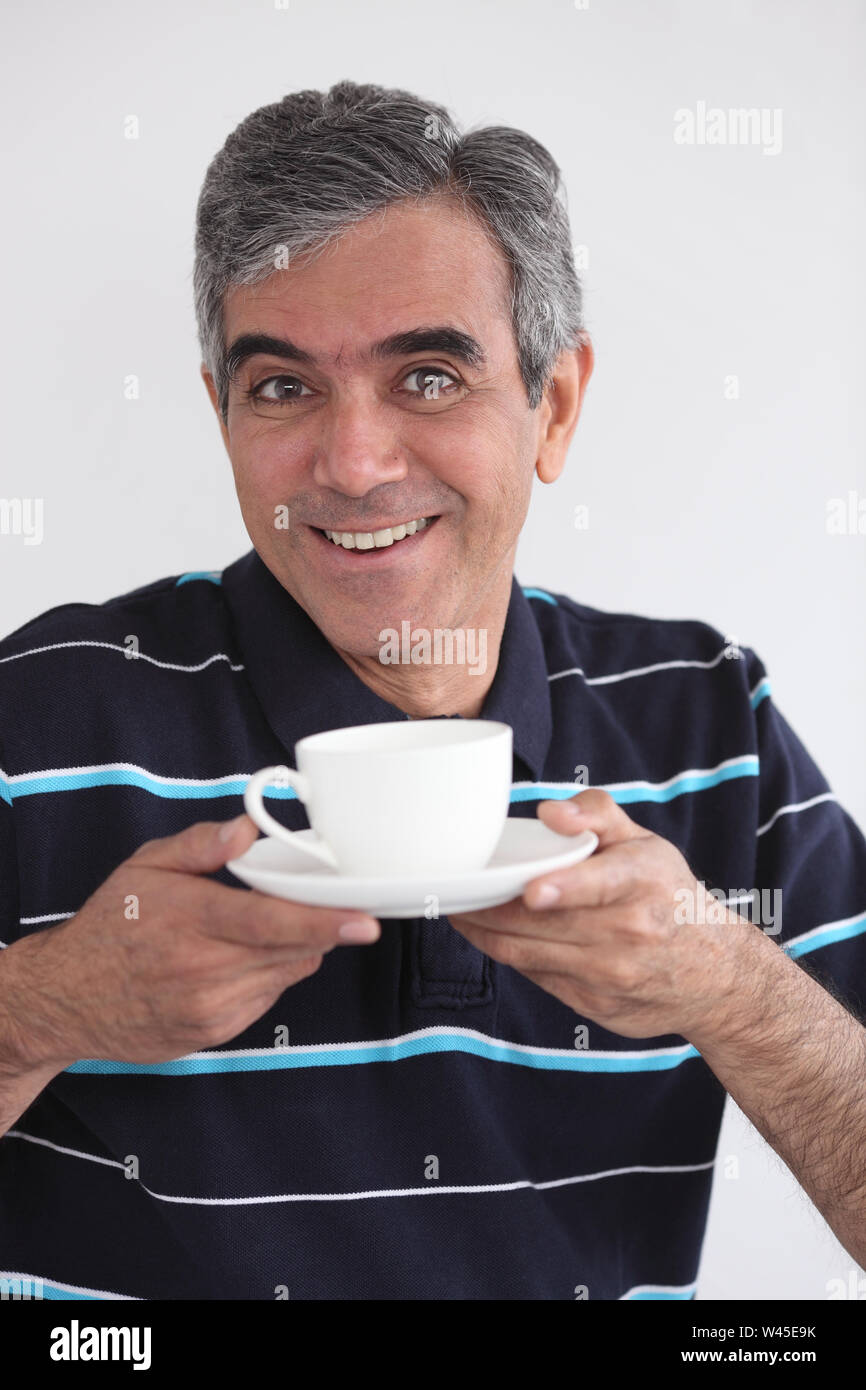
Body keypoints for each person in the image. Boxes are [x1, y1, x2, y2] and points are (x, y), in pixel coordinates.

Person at [0, 81, 863, 1302]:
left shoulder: (708, 722)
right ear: (221, 412)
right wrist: (47, 1004)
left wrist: (724, 982)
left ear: (550, 408)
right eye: (283, 387)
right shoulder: (37, 713)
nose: (352, 465)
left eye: (427, 377)